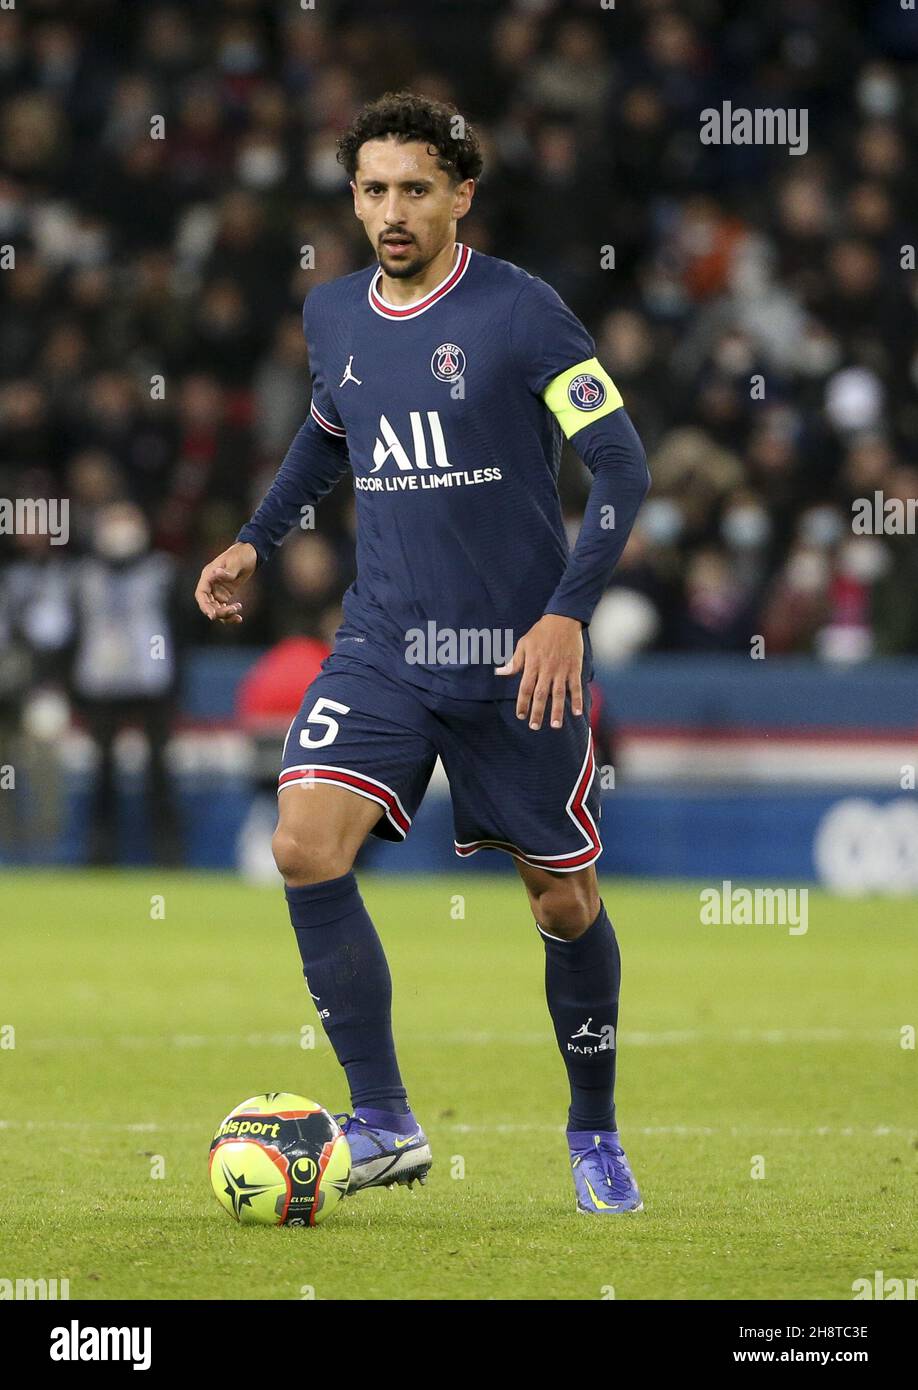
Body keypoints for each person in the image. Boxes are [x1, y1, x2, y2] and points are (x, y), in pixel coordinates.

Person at [195, 92, 651, 1215]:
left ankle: (593, 1129)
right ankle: (386, 1119)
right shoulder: (334, 314)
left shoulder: (525, 312)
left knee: (563, 907)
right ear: (352, 198)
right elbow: (328, 431)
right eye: (372, 190)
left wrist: (567, 611)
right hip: (384, 647)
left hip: (518, 659)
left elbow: (623, 464)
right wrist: (258, 539)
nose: (391, 211)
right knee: (304, 844)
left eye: (414, 189)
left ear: (460, 197)